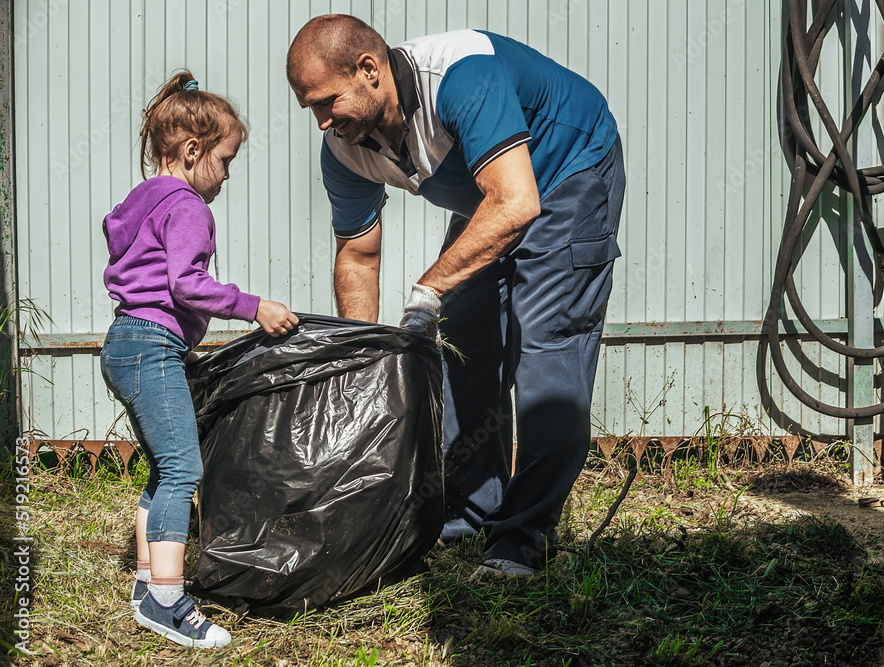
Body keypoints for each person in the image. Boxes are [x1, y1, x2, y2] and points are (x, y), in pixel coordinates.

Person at [286, 16, 625, 577]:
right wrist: (363, 352)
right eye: (312, 109)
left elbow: (516, 203)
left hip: (567, 169)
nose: (321, 120)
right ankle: (470, 510)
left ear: (369, 71)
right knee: (462, 340)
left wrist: (427, 291)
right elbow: (358, 255)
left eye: (327, 102)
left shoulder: (462, 77)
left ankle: (524, 537)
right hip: (492, 196)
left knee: (545, 349)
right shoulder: (344, 147)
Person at [100, 70, 298, 647]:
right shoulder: (186, 205)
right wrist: (253, 305)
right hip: (153, 344)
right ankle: (167, 601)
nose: (228, 175)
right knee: (184, 469)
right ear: (192, 152)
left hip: (126, 344)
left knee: (166, 467)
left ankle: (145, 583)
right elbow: (186, 284)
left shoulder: (140, 202)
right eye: (226, 160)